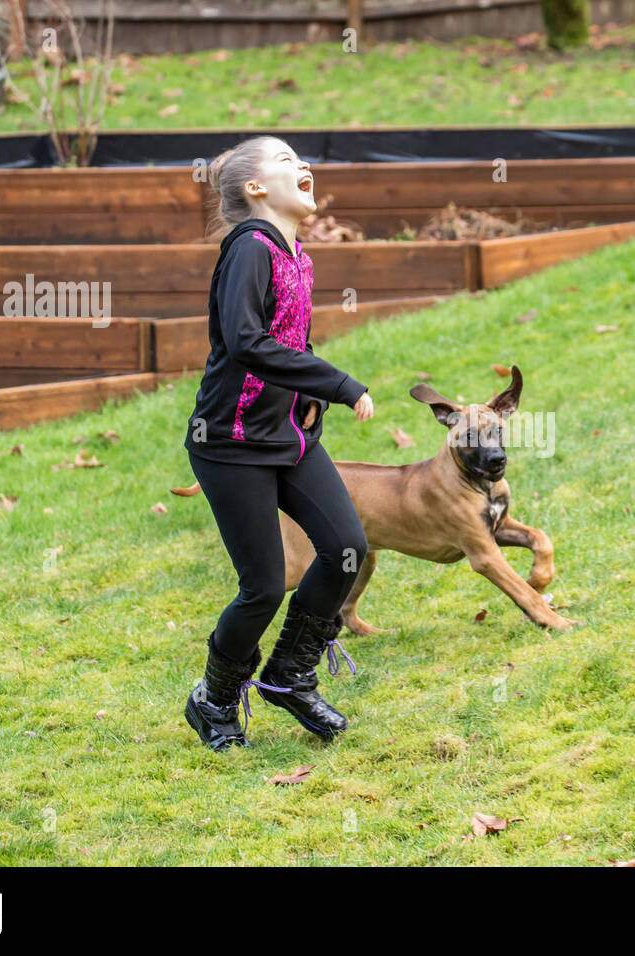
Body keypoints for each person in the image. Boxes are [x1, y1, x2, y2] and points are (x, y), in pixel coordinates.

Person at [182, 135, 375, 750]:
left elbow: (289, 343)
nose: (306, 167)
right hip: (229, 443)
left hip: (290, 438)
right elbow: (246, 342)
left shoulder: (297, 255)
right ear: (255, 188)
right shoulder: (250, 249)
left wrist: (312, 395)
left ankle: (290, 677)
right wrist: (339, 383)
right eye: (288, 161)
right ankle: (213, 700)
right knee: (263, 586)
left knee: (346, 547)